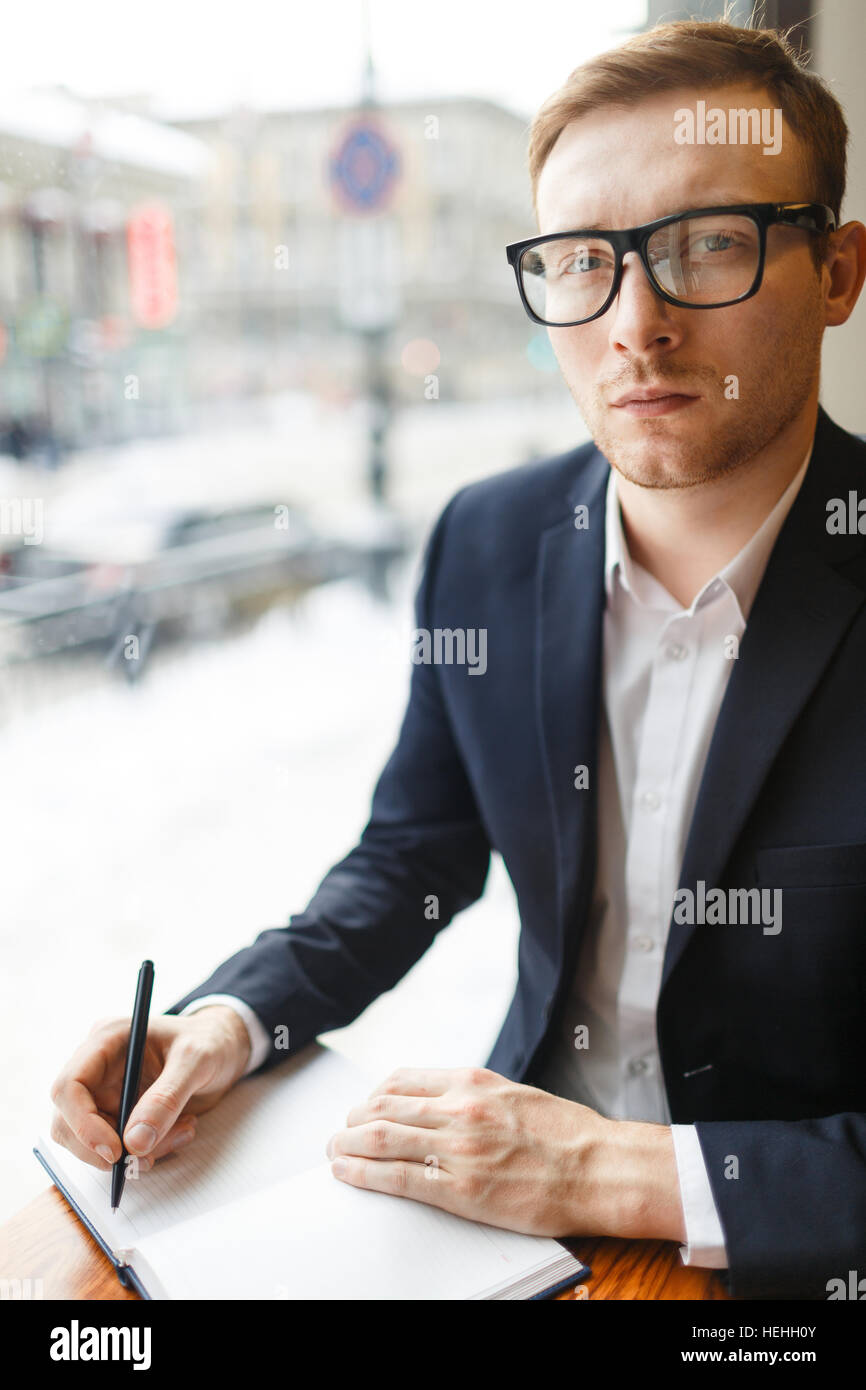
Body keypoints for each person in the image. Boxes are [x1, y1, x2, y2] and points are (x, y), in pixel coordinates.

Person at [49, 19, 866, 1299]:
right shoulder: (487, 541)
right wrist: (226, 1019)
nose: (632, 324)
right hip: (501, 1224)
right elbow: (415, 854)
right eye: (579, 262)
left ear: (834, 271)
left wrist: (610, 1172)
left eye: (705, 243)